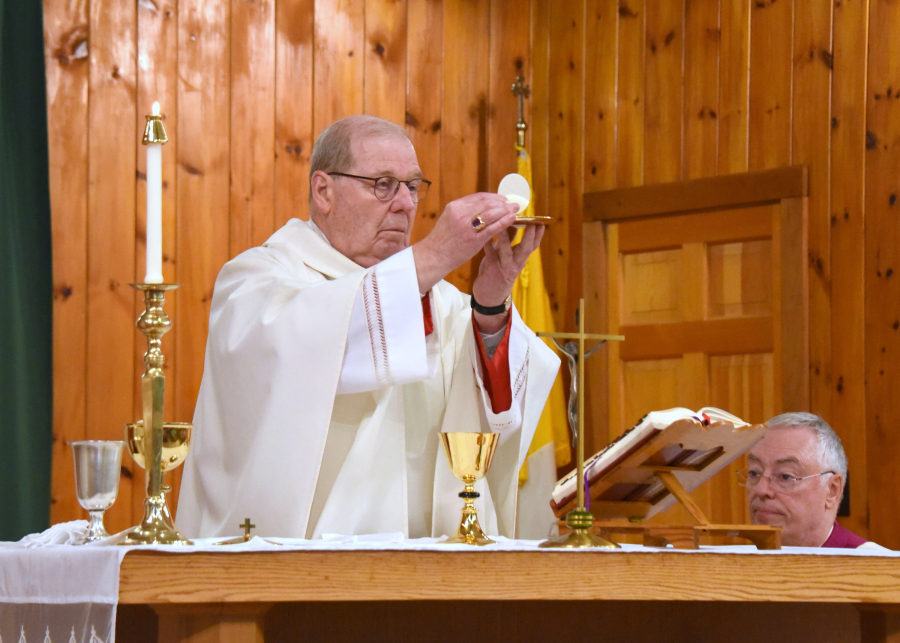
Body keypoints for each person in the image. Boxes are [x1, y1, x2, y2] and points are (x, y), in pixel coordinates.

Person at [177, 115, 560, 540]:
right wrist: (433, 255)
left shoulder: (443, 299)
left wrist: (489, 306)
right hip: (299, 575)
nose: (405, 204)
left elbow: (497, 415)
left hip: (428, 571)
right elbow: (301, 348)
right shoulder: (257, 280)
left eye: (412, 186)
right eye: (383, 184)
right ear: (323, 191)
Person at [746, 412, 885, 549]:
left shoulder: (877, 568)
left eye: (785, 476)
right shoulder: (737, 564)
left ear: (832, 490)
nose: (760, 490)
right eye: (754, 473)